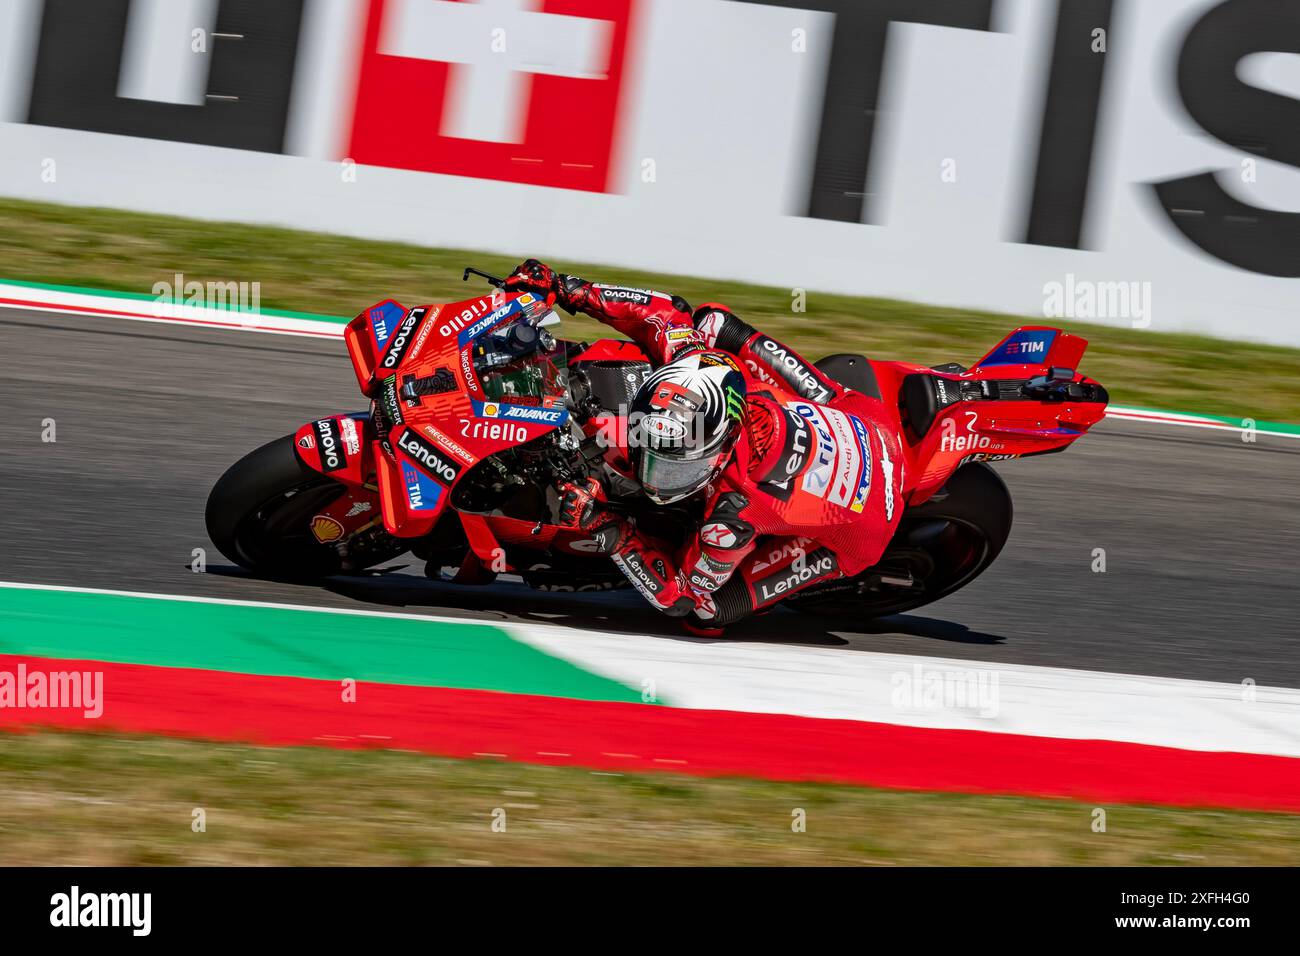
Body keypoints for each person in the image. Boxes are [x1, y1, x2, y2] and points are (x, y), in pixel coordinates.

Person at [503, 259, 905, 633]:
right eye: (652, 453)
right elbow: (666, 311)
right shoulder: (697, 364)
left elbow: (679, 595)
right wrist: (569, 288)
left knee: (705, 613)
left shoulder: (730, 519)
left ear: (721, 449)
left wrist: (604, 525)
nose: (654, 480)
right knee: (710, 322)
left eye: (674, 468)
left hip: (867, 523)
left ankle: (826, 565)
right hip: (861, 415)